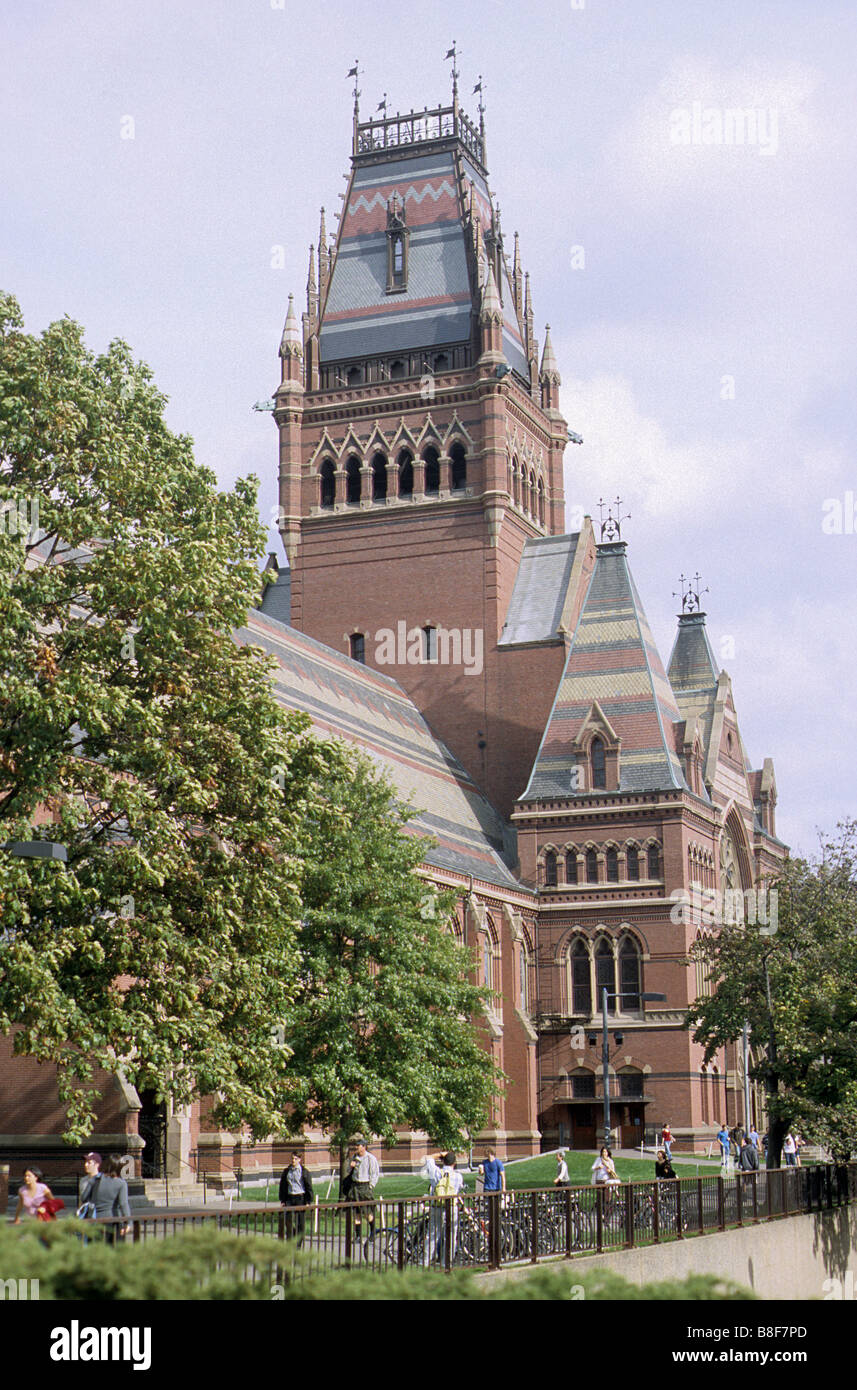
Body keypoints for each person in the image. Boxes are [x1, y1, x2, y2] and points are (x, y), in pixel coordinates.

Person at [423, 1150, 464, 1266]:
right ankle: (446, 1263)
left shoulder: (436, 1172)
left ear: (443, 1161)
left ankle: (425, 1262)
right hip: (451, 1207)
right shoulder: (458, 1176)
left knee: (432, 1235)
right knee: (451, 1235)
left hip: (437, 1206)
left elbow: (428, 1158)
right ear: (454, 1163)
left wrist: (441, 1154)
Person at [79, 1152, 131, 1241]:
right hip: (114, 1220)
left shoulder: (95, 1180)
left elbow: (83, 1198)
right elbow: (123, 1204)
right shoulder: (121, 1183)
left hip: (95, 1220)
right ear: (120, 1168)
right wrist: (128, 1223)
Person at [349, 1137, 380, 1243]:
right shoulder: (354, 1157)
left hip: (365, 1186)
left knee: (367, 1213)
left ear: (364, 1147)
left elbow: (375, 1173)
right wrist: (351, 1166)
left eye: (358, 1145)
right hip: (355, 1186)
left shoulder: (370, 1158)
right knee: (356, 1213)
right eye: (356, 1145)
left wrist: (370, 1186)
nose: (356, 1147)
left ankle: (373, 1232)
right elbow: (350, 1172)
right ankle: (358, 1236)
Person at [278, 1151, 314, 1242]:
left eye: (296, 1159)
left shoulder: (304, 1171)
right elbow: (283, 1185)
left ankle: (298, 1243)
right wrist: (282, 1200)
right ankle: (290, 1240)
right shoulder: (287, 1171)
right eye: (292, 1158)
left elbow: (308, 1186)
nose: (293, 1160)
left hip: (300, 1197)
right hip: (290, 1197)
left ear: (300, 1160)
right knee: (288, 1221)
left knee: (300, 1222)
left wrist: (308, 1201)